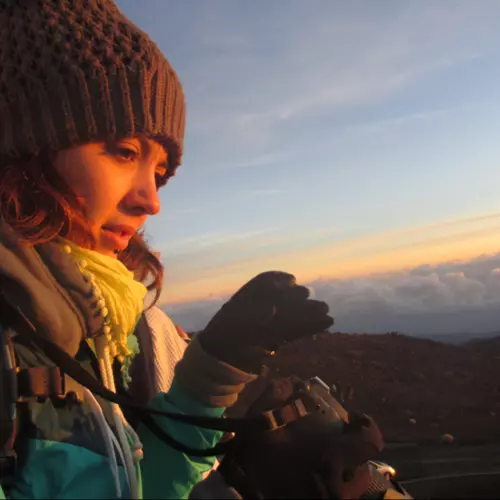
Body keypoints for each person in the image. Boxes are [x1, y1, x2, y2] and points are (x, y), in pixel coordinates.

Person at [0, 1, 333, 499]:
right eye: (125, 152)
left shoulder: (92, 329)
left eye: (159, 171)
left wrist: (208, 379)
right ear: (25, 141)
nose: (151, 201)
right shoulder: (25, 336)